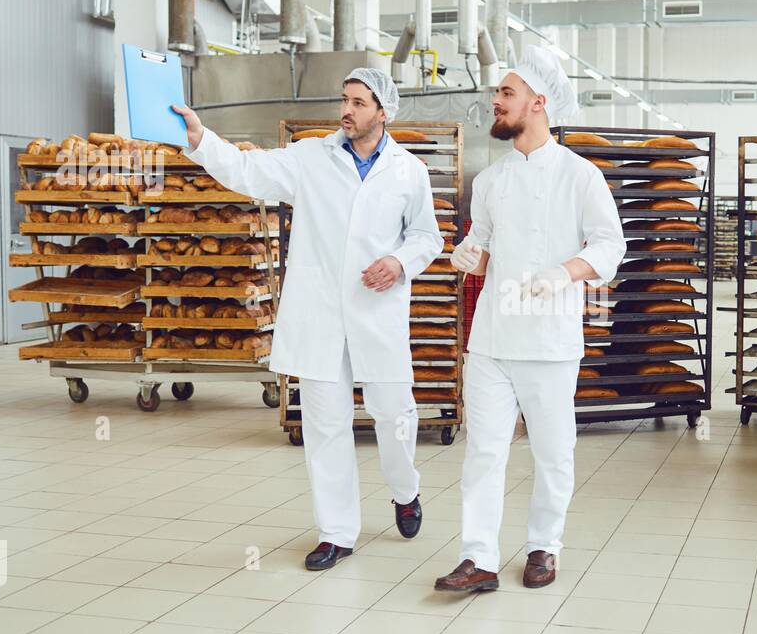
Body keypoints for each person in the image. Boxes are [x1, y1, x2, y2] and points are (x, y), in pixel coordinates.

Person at [172, 69, 443, 571]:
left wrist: (400, 262)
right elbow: (247, 170)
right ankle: (337, 533)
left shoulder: (409, 171)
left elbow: (428, 237)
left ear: (383, 112)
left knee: (395, 416)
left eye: (360, 103)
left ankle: (405, 491)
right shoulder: (311, 157)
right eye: (345, 100)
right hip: (319, 316)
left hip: (376, 312)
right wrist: (201, 140)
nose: (348, 110)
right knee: (325, 426)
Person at [434, 47, 626, 593]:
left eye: (506, 93)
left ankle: (545, 545)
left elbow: (612, 246)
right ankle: (478, 558)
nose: (495, 101)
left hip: (547, 339)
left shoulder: (579, 175)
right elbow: (482, 241)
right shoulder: (492, 179)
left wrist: (564, 273)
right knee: (483, 450)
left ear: (538, 103)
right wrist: (467, 254)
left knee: (552, 450)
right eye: (497, 93)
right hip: (492, 337)